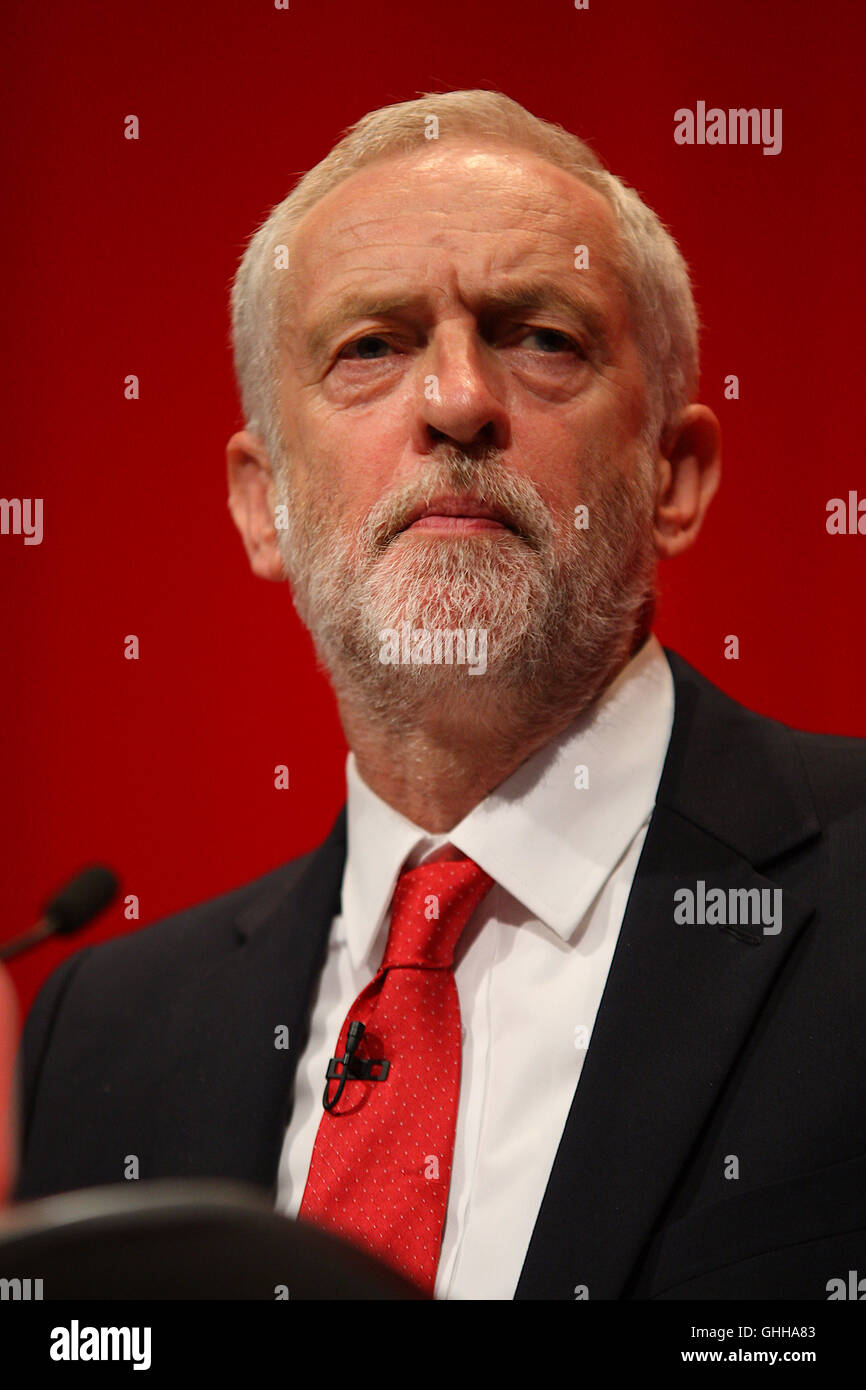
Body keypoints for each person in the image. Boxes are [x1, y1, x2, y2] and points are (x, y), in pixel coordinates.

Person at [12, 90, 866, 1300]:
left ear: (671, 476)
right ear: (265, 506)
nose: (456, 398)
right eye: (369, 345)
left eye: (540, 337)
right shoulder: (104, 1032)